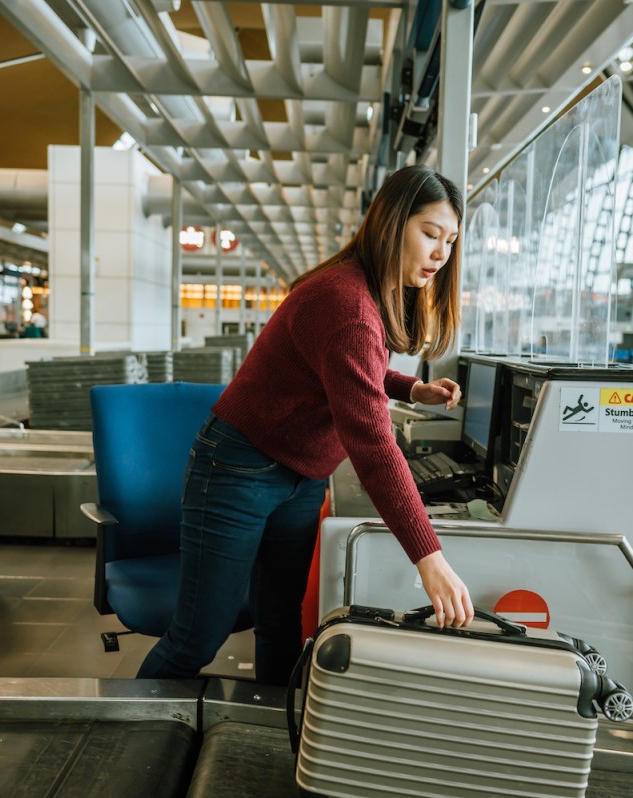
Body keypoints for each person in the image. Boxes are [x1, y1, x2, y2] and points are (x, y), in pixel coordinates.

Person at [137, 165, 473, 686]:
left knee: (280, 624)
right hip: (239, 468)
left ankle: (270, 728)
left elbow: (349, 368)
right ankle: (125, 728)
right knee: (199, 635)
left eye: (450, 241)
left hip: (302, 477)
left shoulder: (367, 294)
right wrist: (429, 557)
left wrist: (410, 389)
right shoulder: (345, 301)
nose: (441, 254)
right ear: (391, 224)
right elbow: (372, 442)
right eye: (430, 234)